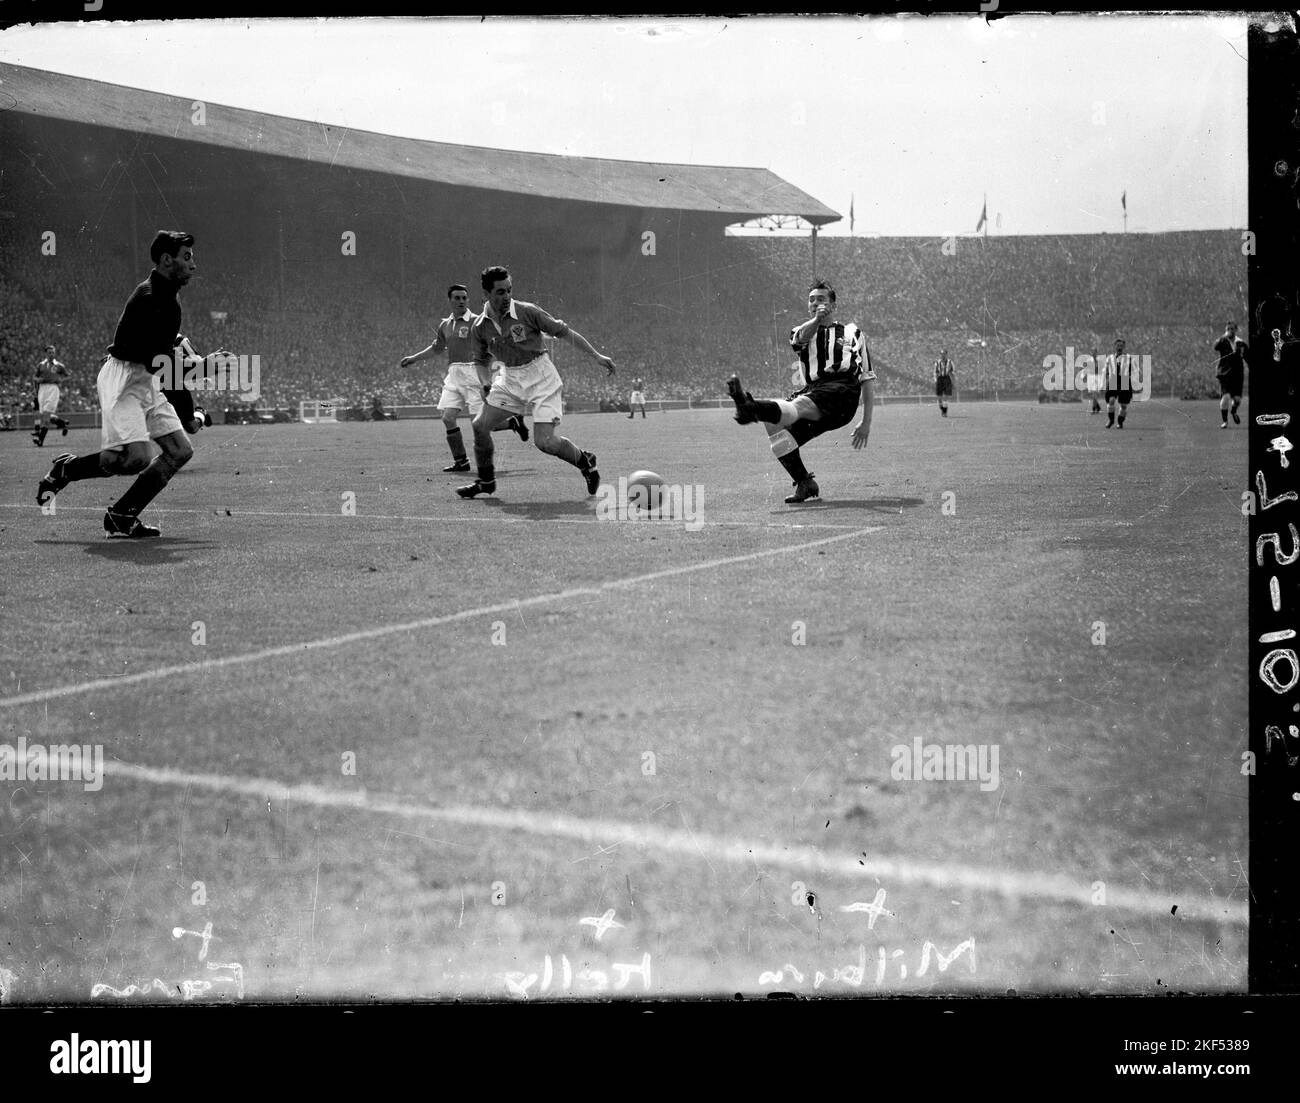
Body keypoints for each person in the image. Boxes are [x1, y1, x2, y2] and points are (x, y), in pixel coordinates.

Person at [35, 230, 225, 537]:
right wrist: (204, 367)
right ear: (167, 260)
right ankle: (65, 469)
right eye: (186, 257)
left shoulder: (167, 299)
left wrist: (189, 412)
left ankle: (122, 515)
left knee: (179, 451)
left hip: (146, 378)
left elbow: (163, 368)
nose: (193, 265)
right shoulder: (152, 298)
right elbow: (160, 365)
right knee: (134, 458)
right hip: (123, 379)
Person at [456, 265, 615, 499]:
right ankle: (486, 482)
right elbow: (480, 360)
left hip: (541, 376)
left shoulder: (528, 312)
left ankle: (585, 461)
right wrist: (484, 382)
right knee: (480, 426)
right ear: (486, 295)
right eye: (500, 292)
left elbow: (565, 332)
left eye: (509, 290)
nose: (507, 296)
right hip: (510, 378)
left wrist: (597, 356)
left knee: (545, 443)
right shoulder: (480, 327)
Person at [726, 278, 874, 503]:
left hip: (843, 391)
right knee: (774, 428)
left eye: (822, 299)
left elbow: (867, 378)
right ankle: (804, 482)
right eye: (812, 300)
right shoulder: (801, 331)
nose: (816, 303)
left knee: (798, 406)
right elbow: (801, 339)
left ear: (833, 305)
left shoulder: (854, 332)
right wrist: (816, 319)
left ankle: (750, 408)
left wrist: (866, 422)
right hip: (815, 389)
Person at [401, 284, 527, 472]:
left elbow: (494, 344)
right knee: (448, 417)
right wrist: (414, 358)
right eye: (457, 298)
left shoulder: (477, 322)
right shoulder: (445, 325)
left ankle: (512, 423)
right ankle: (461, 461)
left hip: (473, 374)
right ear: (450, 300)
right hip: (454, 374)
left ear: (468, 300)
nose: (461, 301)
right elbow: (437, 348)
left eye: (464, 298)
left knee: (481, 424)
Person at [31, 344, 70, 446]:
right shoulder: (41, 365)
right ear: (46, 353)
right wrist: (37, 380)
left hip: (53, 389)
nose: (51, 354)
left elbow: (67, 376)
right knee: (44, 415)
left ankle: (40, 440)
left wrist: (60, 380)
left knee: (46, 415)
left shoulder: (59, 366)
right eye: (49, 352)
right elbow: (34, 377)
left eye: (53, 352)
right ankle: (62, 423)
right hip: (42, 389)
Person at [1213, 321, 1248, 428]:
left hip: (1237, 374)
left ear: (1236, 330)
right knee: (1226, 396)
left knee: (1237, 400)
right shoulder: (1222, 341)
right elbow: (1215, 346)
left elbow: (1248, 358)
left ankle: (1233, 411)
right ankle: (1225, 421)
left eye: (1232, 329)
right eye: (1228, 329)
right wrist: (1223, 336)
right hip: (1224, 373)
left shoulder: (1241, 343)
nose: (1230, 331)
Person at [1102, 337, 1135, 429]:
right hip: (1113, 380)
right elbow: (1105, 369)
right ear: (1114, 346)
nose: (1119, 347)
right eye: (1117, 345)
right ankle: (1111, 420)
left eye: (1121, 345)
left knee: (1123, 405)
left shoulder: (1128, 357)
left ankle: (1120, 422)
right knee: (1111, 400)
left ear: (1124, 346)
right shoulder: (1110, 358)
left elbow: (1134, 369)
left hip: (1124, 380)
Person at [933, 349, 955, 417]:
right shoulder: (937, 362)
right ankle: (942, 409)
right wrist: (935, 380)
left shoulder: (950, 362)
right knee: (939, 397)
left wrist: (953, 381)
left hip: (947, 378)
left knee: (946, 396)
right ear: (940, 354)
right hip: (940, 379)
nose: (943, 355)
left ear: (946, 354)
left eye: (944, 354)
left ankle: (945, 412)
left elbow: (953, 372)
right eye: (941, 354)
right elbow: (935, 372)